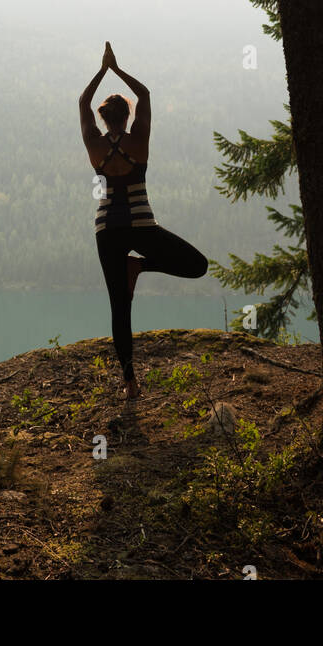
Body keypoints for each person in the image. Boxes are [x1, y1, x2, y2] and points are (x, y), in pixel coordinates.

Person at [79, 42, 208, 400]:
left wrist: (101, 71)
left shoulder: (94, 145)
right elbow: (146, 94)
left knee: (119, 306)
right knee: (197, 265)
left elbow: (82, 103)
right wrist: (117, 69)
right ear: (127, 115)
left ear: (104, 118)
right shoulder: (140, 142)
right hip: (141, 224)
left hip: (107, 229)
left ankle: (130, 383)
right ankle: (142, 267)